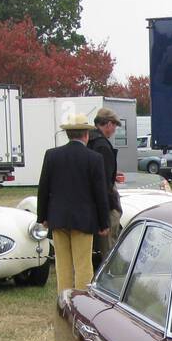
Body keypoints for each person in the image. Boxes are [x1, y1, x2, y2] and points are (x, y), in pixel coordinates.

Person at [37, 112, 109, 292]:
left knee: (63, 265)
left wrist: (42, 217)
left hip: (58, 218)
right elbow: (100, 193)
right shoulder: (94, 158)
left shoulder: (52, 155)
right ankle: (82, 303)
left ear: (68, 134)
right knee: (83, 264)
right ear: (86, 134)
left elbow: (43, 188)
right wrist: (104, 222)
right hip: (84, 220)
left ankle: (64, 303)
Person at [88, 107, 124, 260]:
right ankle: (110, 278)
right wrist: (113, 205)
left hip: (91, 204)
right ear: (108, 124)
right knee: (109, 247)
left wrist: (112, 174)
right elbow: (102, 181)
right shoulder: (102, 145)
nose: (114, 129)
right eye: (114, 125)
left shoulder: (89, 141)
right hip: (106, 206)